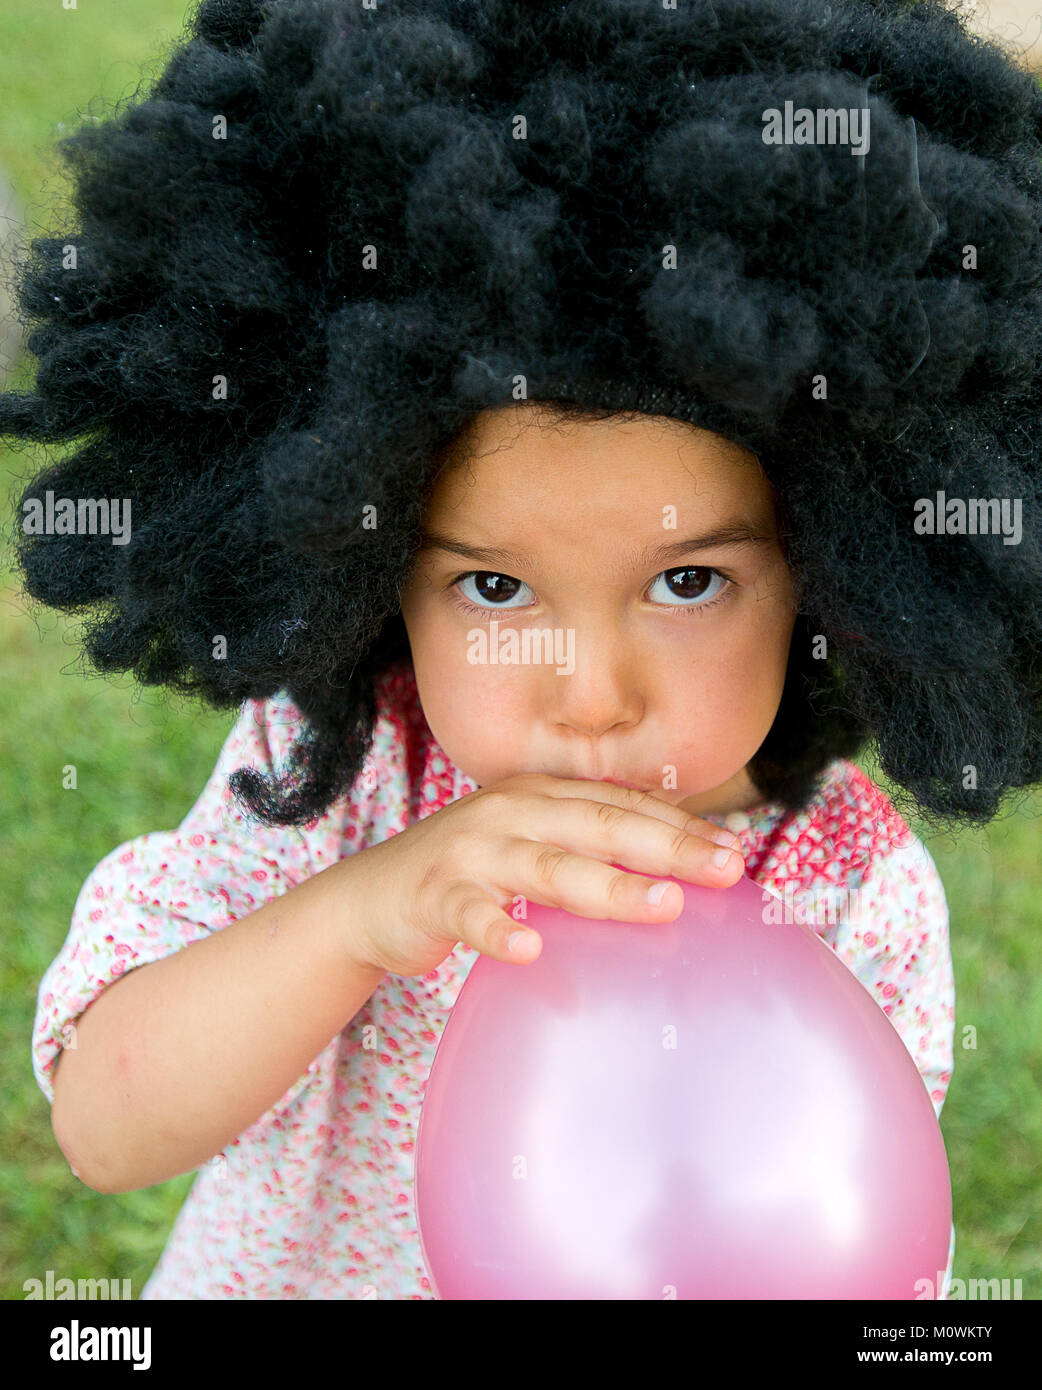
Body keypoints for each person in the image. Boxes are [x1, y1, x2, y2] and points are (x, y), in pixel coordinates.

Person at [4, 0, 1040, 1300]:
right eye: (494, 584)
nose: (591, 693)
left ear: (834, 563)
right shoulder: (338, 786)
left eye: (687, 578)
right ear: (371, 568)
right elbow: (107, 1124)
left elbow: (845, 1237)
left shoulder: (842, 886)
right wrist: (364, 914)